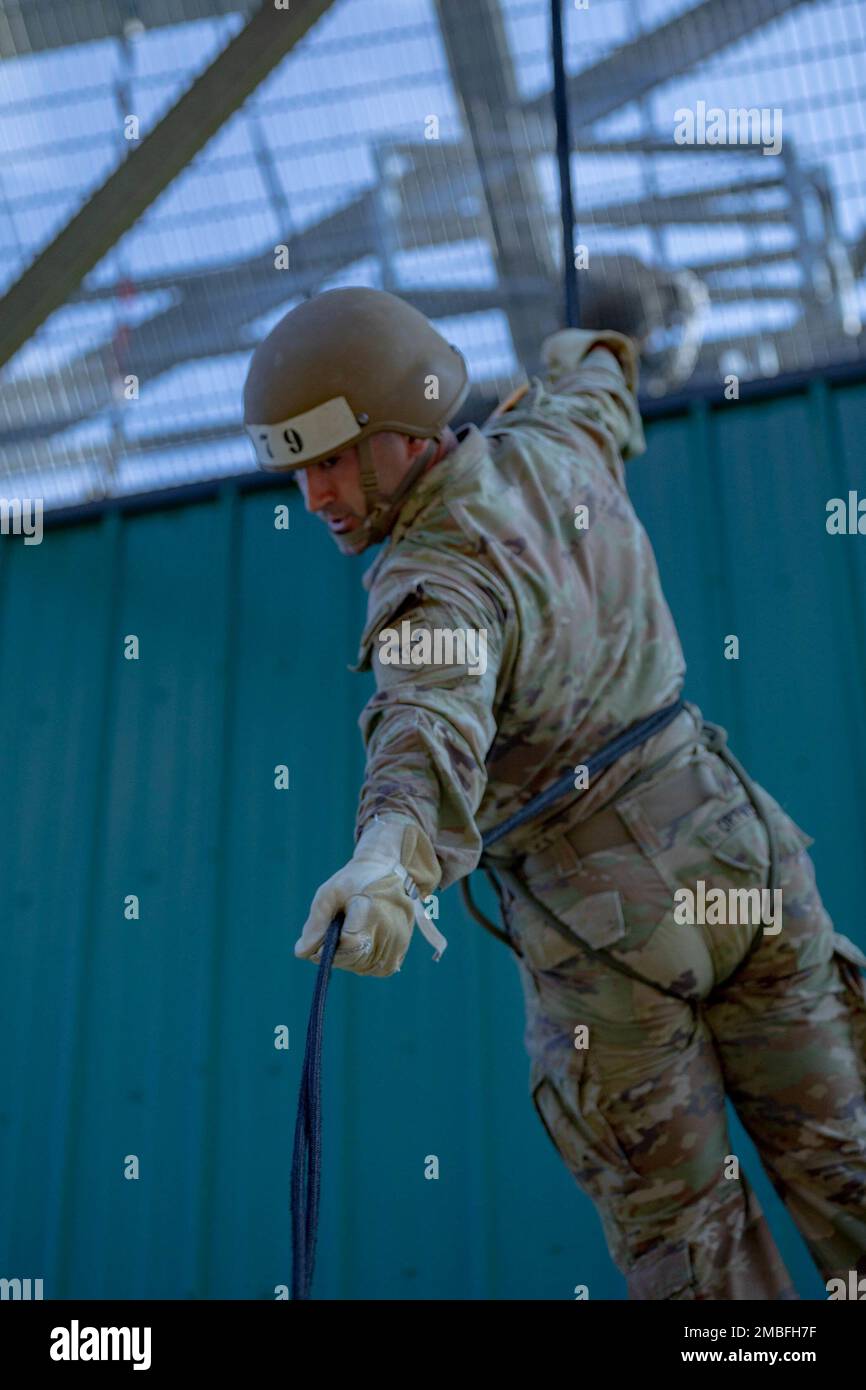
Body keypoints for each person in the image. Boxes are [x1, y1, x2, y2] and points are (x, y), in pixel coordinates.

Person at [242, 285, 866, 1300]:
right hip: (744, 860)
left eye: (329, 460)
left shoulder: (437, 576)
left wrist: (385, 861)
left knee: (688, 1245)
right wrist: (594, 331)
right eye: (298, 471)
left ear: (404, 430)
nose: (314, 498)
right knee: (847, 1162)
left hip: (610, 928)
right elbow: (598, 374)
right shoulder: (558, 440)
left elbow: (424, 727)